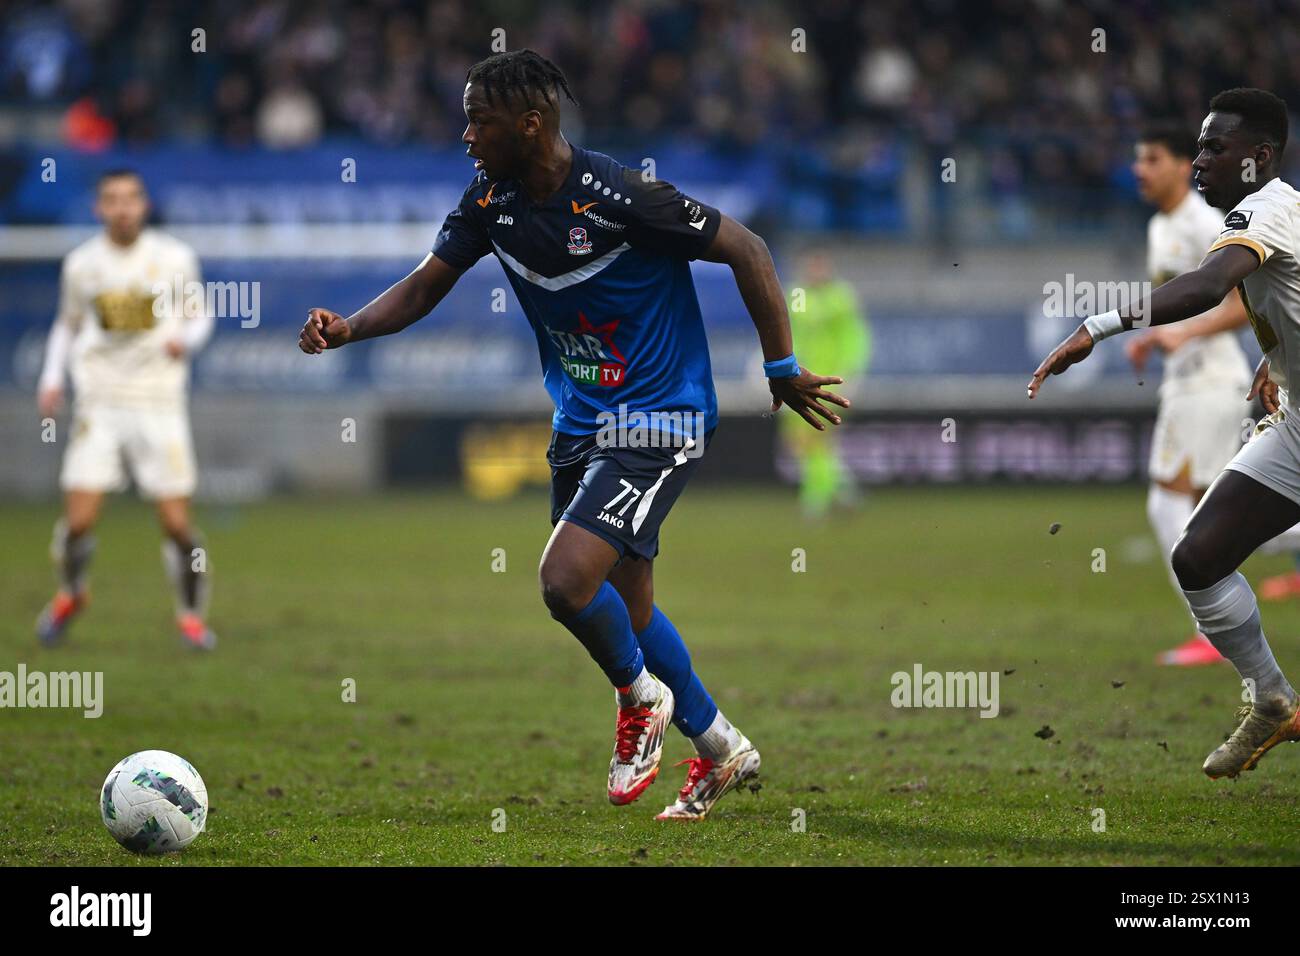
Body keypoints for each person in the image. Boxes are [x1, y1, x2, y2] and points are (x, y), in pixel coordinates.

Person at [298, 51, 849, 819]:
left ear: (530, 124)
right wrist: (349, 326)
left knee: (563, 582)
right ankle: (723, 749)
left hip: (662, 414)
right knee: (631, 608)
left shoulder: (621, 196)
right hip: (582, 422)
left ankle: (638, 699)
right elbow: (427, 284)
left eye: (478, 121)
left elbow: (747, 249)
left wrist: (782, 367)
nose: (465, 136)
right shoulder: (491, 199)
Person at [1029, 89, 1300, 779]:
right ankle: (1272, 700)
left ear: (1260, 156)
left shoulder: (1265, 210)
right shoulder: (1269, 212)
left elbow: (1211, 286)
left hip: (1215, 393)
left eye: (1216, 148)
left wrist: (1098, 325)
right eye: (1200, 146)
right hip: (1294, 418)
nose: (1201, 160)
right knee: (1199, 557)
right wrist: (1276, 362)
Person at [36, 169, 216, 650]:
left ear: (144, 204)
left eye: (131, 198)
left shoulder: (174, 257)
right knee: (78, 523)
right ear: (98, 208)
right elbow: (67, 324)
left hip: (159, 401)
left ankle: (191, 617)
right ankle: (72, 592)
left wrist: (186, 340)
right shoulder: (81, 265)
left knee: (178, 525)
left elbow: (201, 316)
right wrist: (52, 378)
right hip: (100, 401)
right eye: (112, 200)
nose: (122, 208)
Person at [1123, 121, 1252, 666]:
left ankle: (1213, 633)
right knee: (1224, 510)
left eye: (1152, 158)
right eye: (1138, 159)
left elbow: (1246, 303)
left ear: (1183, 164)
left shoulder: (1207, 224)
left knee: (1168, 504)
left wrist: (1180, 333)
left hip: (1209, 384)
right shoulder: (1160, 227)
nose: (1140, 170)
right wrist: (1158, 335)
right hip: (1191, 383)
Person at [782, 249, 870, 518]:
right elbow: (786, 334)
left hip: (830, 380)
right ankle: (844, 488)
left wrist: (852, 370)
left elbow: (855, 336)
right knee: (800, 442)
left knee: (815, 439)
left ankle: (815, 500)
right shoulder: (796, 296)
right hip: (797, 379)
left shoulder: (840, 297)